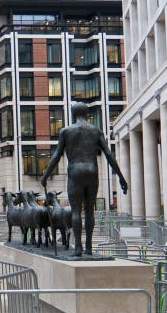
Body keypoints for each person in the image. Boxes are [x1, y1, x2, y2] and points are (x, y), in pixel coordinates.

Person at [40, 102, 128, 256]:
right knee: (89, 211)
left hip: (75, 171)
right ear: (87, 114)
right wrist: (121, 177)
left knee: (76, 211)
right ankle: (88, 247)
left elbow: (56, 156)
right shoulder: (96, 131)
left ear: (73, 114)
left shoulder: (66, 131)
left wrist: (45, 175)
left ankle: (78, 248)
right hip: (92, 171)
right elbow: (109, 155)